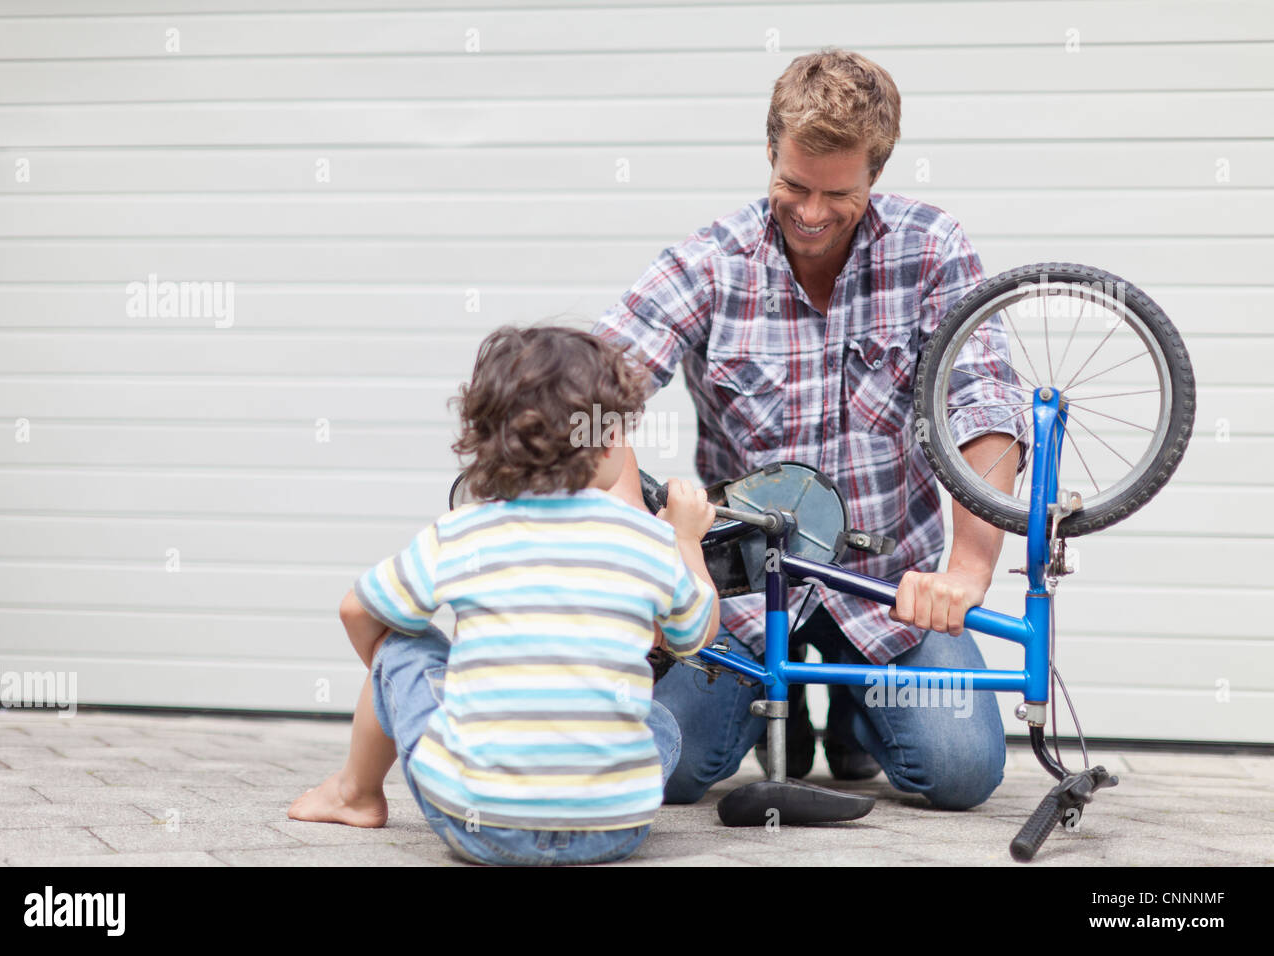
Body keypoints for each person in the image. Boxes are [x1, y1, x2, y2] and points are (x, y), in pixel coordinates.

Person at [592, 48, 1026, 810]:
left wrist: (966, 572)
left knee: (961, 771)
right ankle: (773, 709)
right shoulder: (710, 263)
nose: (814, 212)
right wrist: (642, 540)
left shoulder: (932, 249)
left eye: (839, 192)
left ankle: (857, 716)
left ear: (877, 172)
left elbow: (983, 404)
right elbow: (589, 395)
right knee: (668, 769)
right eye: (794, 185)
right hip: (745, 595)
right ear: (769, 153)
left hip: (891, 588)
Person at [288, 325, 720, 865]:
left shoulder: (464, 530)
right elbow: (695, 635)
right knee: (657, 722)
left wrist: (389, 680)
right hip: (613, 831)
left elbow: (355, 608)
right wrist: (685, 539)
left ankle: (354, 792)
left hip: (479, 827)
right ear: (609, 438)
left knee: (401, 641)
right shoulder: (647, 540)